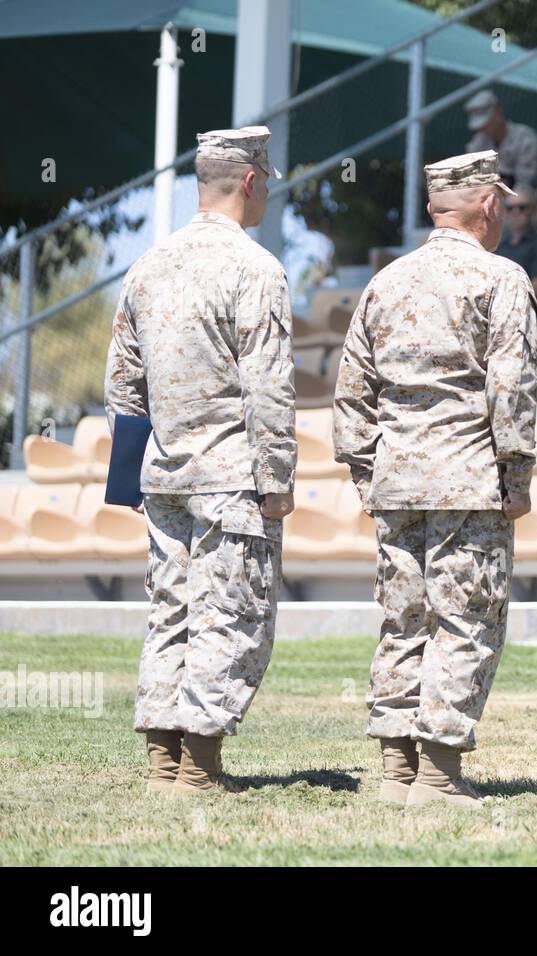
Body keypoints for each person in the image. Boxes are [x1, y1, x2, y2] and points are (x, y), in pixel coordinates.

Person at [333, 150, 537, 809]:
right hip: (468, 482)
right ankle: (440, 774)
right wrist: (517, 475)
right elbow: (511, 390)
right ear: (488, 206)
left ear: (433, 209)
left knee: (404, 619)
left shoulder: (385, 282)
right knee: (466, 620)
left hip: (397, 481)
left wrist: (369, 473)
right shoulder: (501, 279)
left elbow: (351, 394)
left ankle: (396, 768)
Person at [104, 126, 296, 795]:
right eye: (267, 180)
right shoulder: (257, 268)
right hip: (229, 478)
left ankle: (162, 758)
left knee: (172, 612)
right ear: (250, 182)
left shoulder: (147, 266)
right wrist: (276, 480)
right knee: (231, 613)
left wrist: (127, 476)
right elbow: (267, 385)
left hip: (164, 476)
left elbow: (124, 384)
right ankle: (200, 766)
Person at [463, 89, 537, 192]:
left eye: (487, 121)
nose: (484, 127)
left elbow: (525, 182)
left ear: (498, 111)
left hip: (531, 198)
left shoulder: (525, 138)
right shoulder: (477, 144)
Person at [495, 186, 537, 303]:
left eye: (522, 207)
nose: (516, 212)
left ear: (533, 211)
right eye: (510, 208)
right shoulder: (498, 245)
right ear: (504, 213)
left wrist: (500, 296)